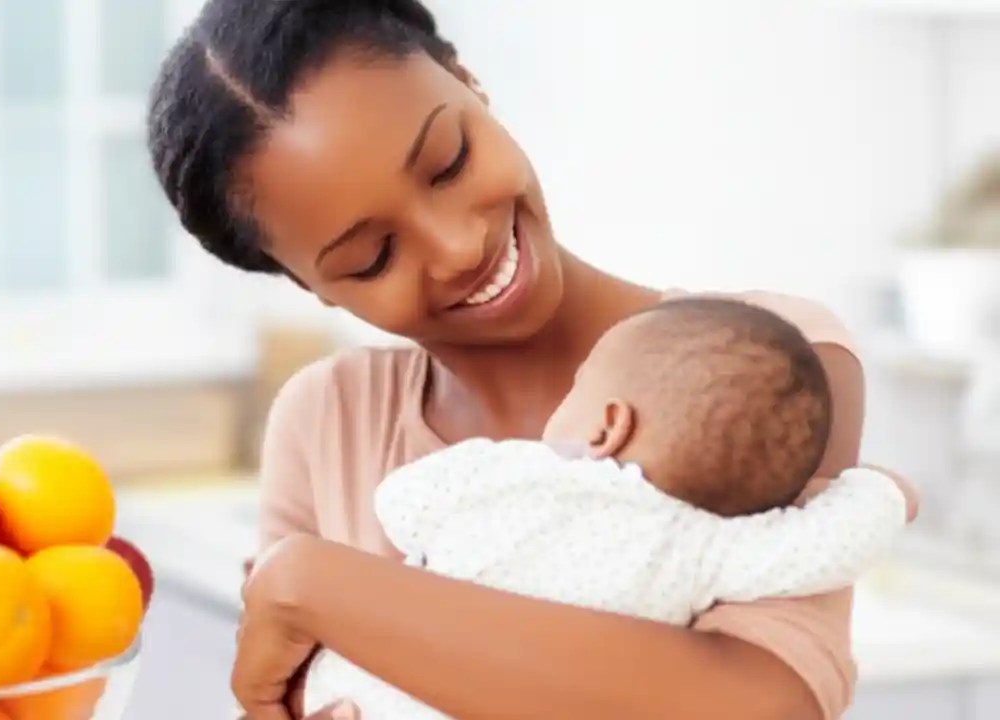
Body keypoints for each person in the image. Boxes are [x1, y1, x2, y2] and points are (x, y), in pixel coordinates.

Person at [145, 1, 920, 717]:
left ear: (466, 81)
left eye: (448, 162)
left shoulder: (767, 359)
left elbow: (756, 703)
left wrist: (314, 585)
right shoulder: (326, 419)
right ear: (308, 285)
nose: (458, 246)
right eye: (374, 256)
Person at [300, 297, 910, 718]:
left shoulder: (510, 473)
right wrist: (884, 491)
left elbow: (398, 503)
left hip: (370, 691)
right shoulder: (704, 546)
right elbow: (829, 543)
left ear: (606, 427)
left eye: (578, 389)